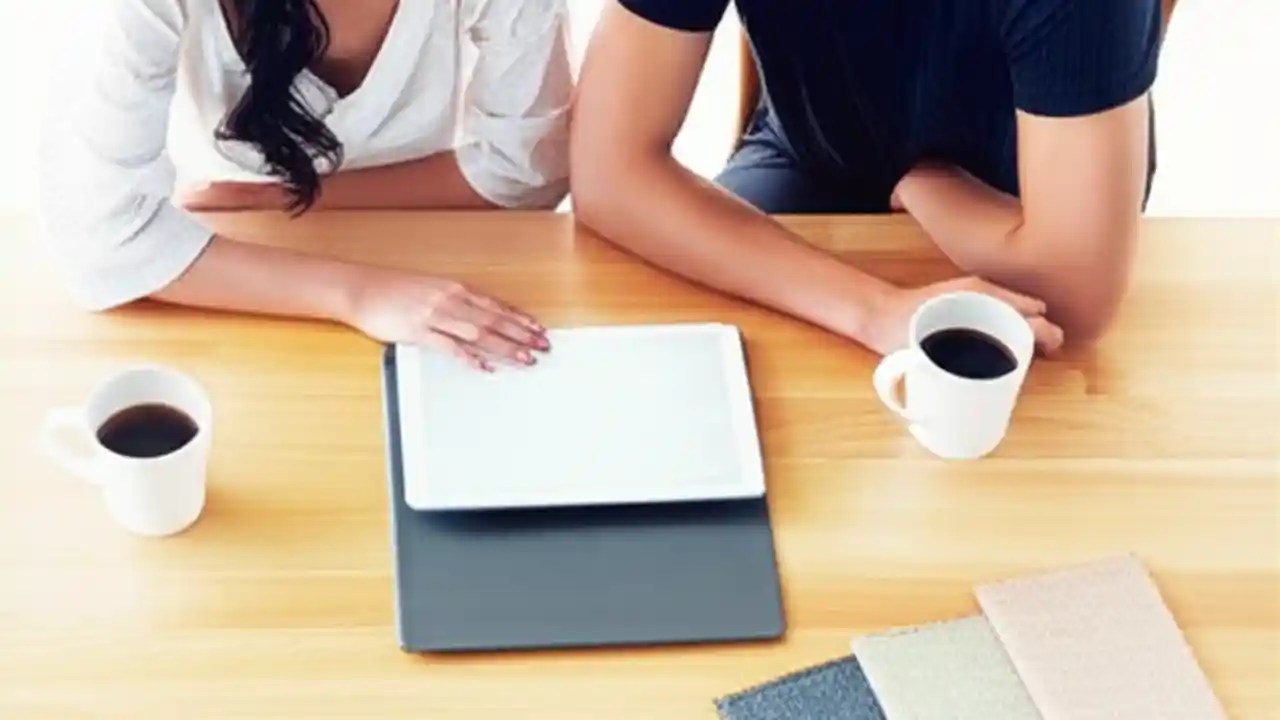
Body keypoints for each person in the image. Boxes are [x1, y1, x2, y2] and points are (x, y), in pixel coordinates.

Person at [572, 0, 1164, 355]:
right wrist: (873, 310)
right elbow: (608, 171)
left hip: (1016, 201)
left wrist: (928, 187)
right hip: (814, 155)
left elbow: (1078, 290)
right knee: (692, 349)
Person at [42, 0, 571, 371]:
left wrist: (286, 196)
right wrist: (357, 293)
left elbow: (524, 171)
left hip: (400, 246)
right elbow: (100, 237)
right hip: (246, 292)